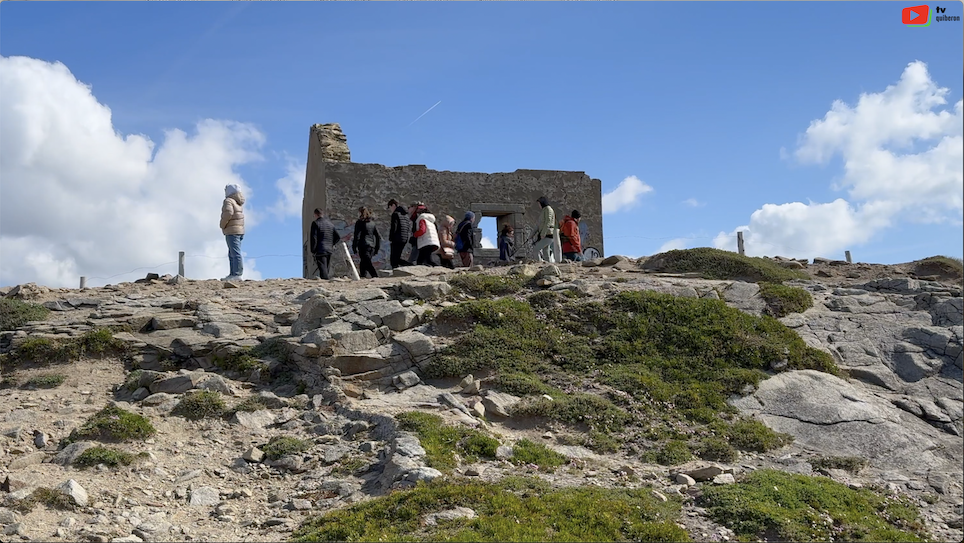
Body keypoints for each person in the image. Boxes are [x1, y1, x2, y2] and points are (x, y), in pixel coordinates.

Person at [219, 184, 245, 280]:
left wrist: (222, 224)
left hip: (232, 230)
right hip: (239, 230)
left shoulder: (228, 201)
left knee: (234, 253)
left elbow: (228, 213)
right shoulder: (238, 202)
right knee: (233, 252)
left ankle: (237, 274)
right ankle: (233, 274)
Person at [352, 206, 382, 279]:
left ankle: (375, 276)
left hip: (363, 246)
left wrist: (354, 247)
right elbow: (378, 237)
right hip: (371, 246)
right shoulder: (372, 223)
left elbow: (357, 236)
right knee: (364, 262)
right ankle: (362, 276)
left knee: (367, 262)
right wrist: (377, 248)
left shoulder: (359, 223)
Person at [530, 196, 557, 263]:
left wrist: (543, 233)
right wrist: (532, 234)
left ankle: (538, 263)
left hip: (548, 234)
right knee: (546, 252)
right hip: (545, 234)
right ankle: (548, 265)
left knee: (536, 249)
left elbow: (548, 221)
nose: (538, 205)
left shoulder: (548, 209)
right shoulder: (544, 211)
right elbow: (539, 225)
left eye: (539, 203)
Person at [310, 208, 335, 279]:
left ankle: (325, 282)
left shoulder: (315, 223)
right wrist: (331, 243)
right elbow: (337, 237)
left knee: (322, 267)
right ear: (322, 214)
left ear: (315, 214)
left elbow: (314, 238)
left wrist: (313, 250)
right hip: (329, 249)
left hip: (320, 249)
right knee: (326, 267)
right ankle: (326, 280)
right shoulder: (330, 224)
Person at [387, 199, 412, 269]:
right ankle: (409, 265)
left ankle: (410, 266)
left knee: (393, 259)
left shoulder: (395, 214)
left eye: (390, 207)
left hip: (397, 238)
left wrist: (391, 238)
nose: (390, 210)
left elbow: (393, 227)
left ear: (393, 205)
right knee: (397, 257)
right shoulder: (406, 216)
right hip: (404, 239)